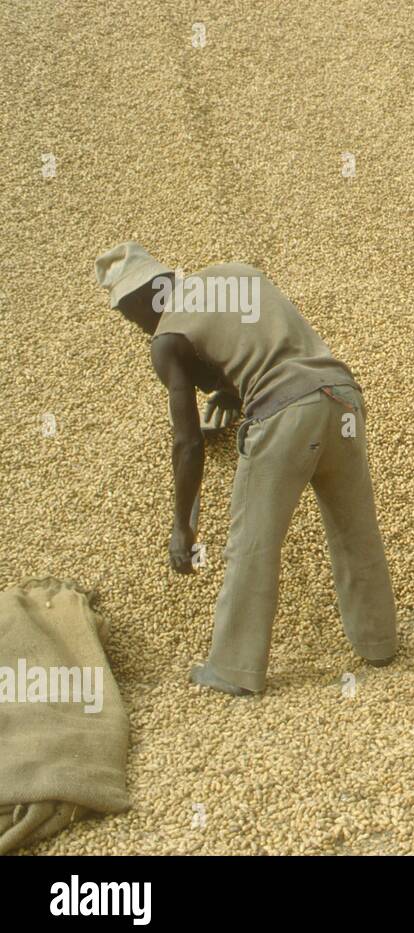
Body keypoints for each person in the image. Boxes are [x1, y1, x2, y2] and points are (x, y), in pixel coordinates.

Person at [95, 242, 398, 696]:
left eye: (128, 313)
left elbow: (187, 441)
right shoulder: (233, 272)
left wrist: (182, 526)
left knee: (252, 543)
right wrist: (233, 393)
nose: (134, 325)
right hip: (341, 396)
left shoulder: (167, 338)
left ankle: (233, 669)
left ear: (144, 296)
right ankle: (379, 643)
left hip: (286, 414)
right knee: (355, 530)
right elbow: (263, 341)